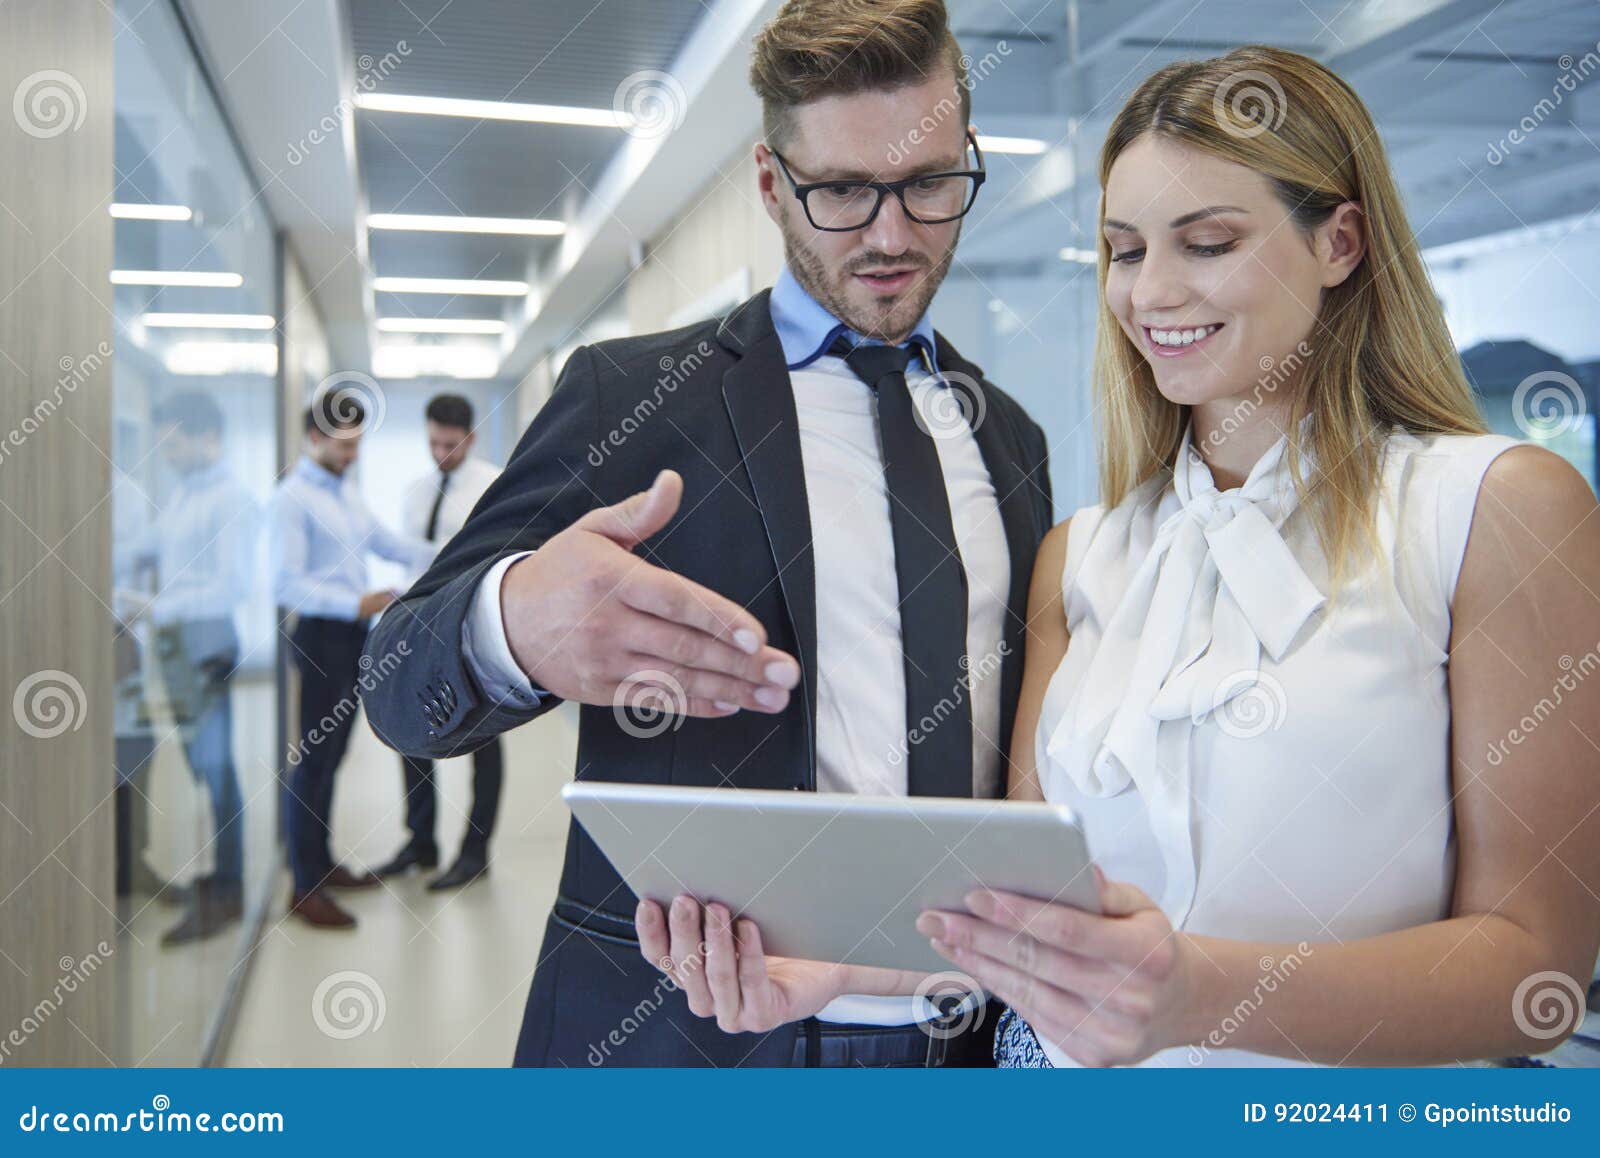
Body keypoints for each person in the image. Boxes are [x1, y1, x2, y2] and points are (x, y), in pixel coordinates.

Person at [663, 44, 1600, 1068]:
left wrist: (1202, 994)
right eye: (1123, 251)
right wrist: (835, 973)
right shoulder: (1081, 557)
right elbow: (1012, 915)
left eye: (1205, 243)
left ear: (1340, 242)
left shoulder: (1490, 507)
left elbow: (1533, 972)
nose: (1151, 292)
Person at [360, 0, 1053, 1066]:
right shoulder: (630, 397)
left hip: (957, 1044)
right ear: (773, 185)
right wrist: (511, 623)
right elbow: (398, 684)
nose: (890, 233)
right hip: (676, 1039)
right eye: (839, 192)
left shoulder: (1007, 437)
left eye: (926, 184)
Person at [268, 392, 435, 929]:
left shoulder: (347, 495)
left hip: (351, 638)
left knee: (333, 757)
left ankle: (320, 865)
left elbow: (390, 544)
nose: (354, 453)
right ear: (314, 438)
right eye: (345, 444)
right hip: (319, 636)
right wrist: (352, 603)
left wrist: (459, 549)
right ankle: (302, 885)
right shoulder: (292, 499)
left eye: (358, 443)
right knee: (313, 761)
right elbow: (284, 583)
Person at [130, 392, 259, 945]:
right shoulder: (184, 494)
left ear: (208, 437)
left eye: (174, 443)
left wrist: (159, 608)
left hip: (206, 648)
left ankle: (228, 890)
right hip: (175, 649)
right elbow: (152, 550)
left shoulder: (232, 499)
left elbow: (232, 587)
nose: (167, 454)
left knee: (216, 770)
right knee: (201, 768)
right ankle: (220, 877)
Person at [375, 394, 505, 890]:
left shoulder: (493, 486)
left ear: (470, 439)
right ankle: (420, 842)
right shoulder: (415, 491)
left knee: (482, 740)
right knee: (414, 735)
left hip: (474, 633)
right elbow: (412, 559)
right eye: (433, 442)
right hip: (419, 630)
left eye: (450, 444)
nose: (440, 452)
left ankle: (475, 851)